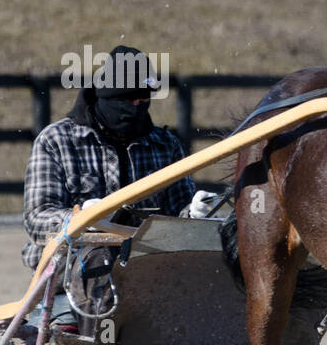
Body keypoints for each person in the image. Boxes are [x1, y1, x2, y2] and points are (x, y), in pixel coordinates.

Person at [21, 44, 211, 269]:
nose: (137, 108)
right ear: (109, 97)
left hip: (148, 261)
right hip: (72, 258)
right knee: (97, 260)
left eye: (143, 101)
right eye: (130, 101)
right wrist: (82, 218)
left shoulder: (166, 146)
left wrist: (195, 211)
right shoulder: (56, 141)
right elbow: (36, 220)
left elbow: (179, 217)